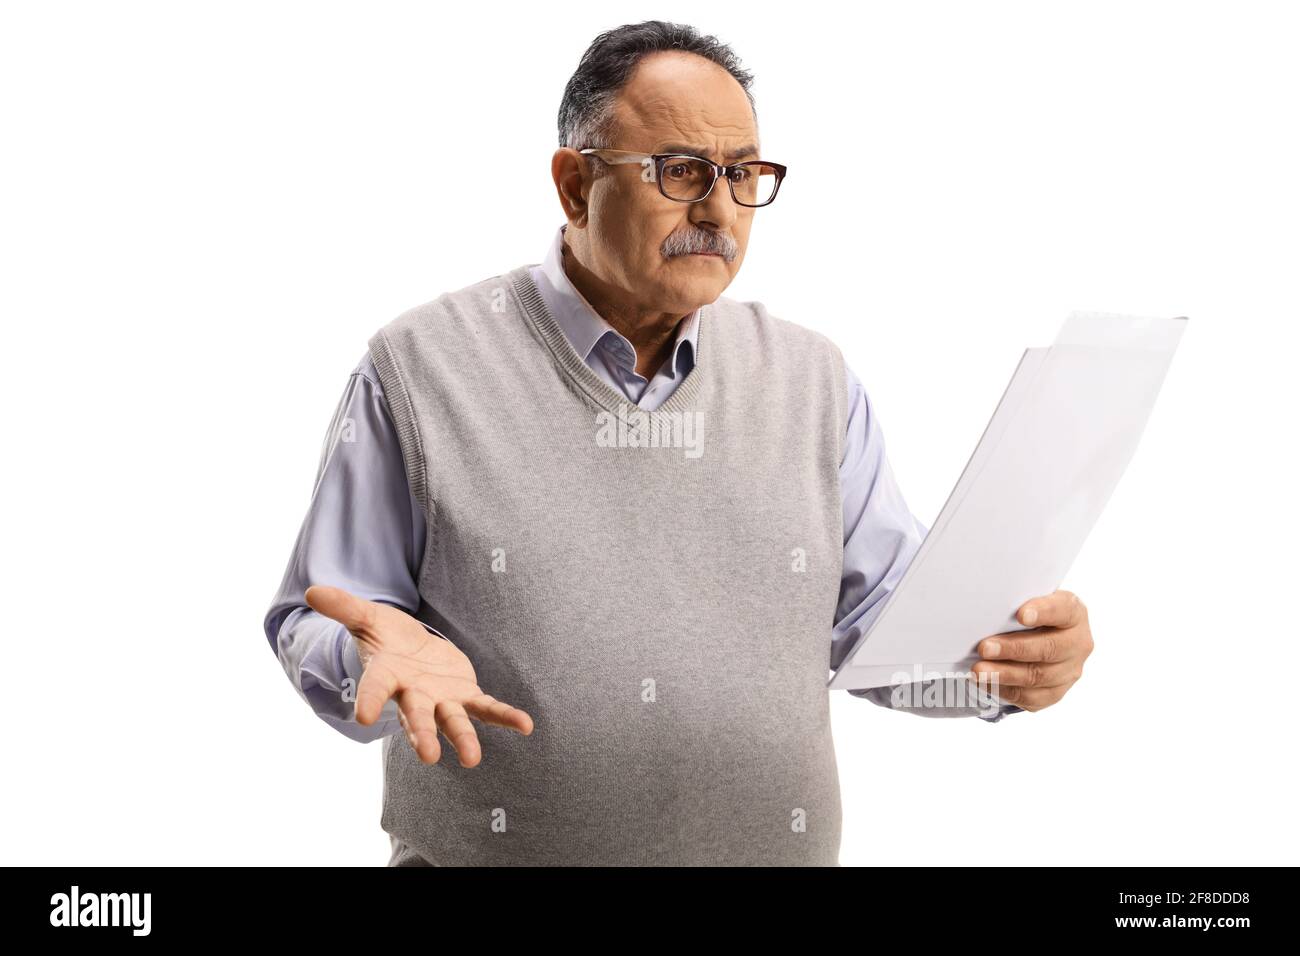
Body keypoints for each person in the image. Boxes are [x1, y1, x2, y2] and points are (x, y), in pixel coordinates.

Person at [264, 20, 1094, 866]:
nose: (720, 208)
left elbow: (883, 629)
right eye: (683, 171)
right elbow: (316, 617)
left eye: (743, 175)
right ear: (574, 184)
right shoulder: (420, 370)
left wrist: (1003, 668)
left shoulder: (812, 381)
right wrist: (363, 655)